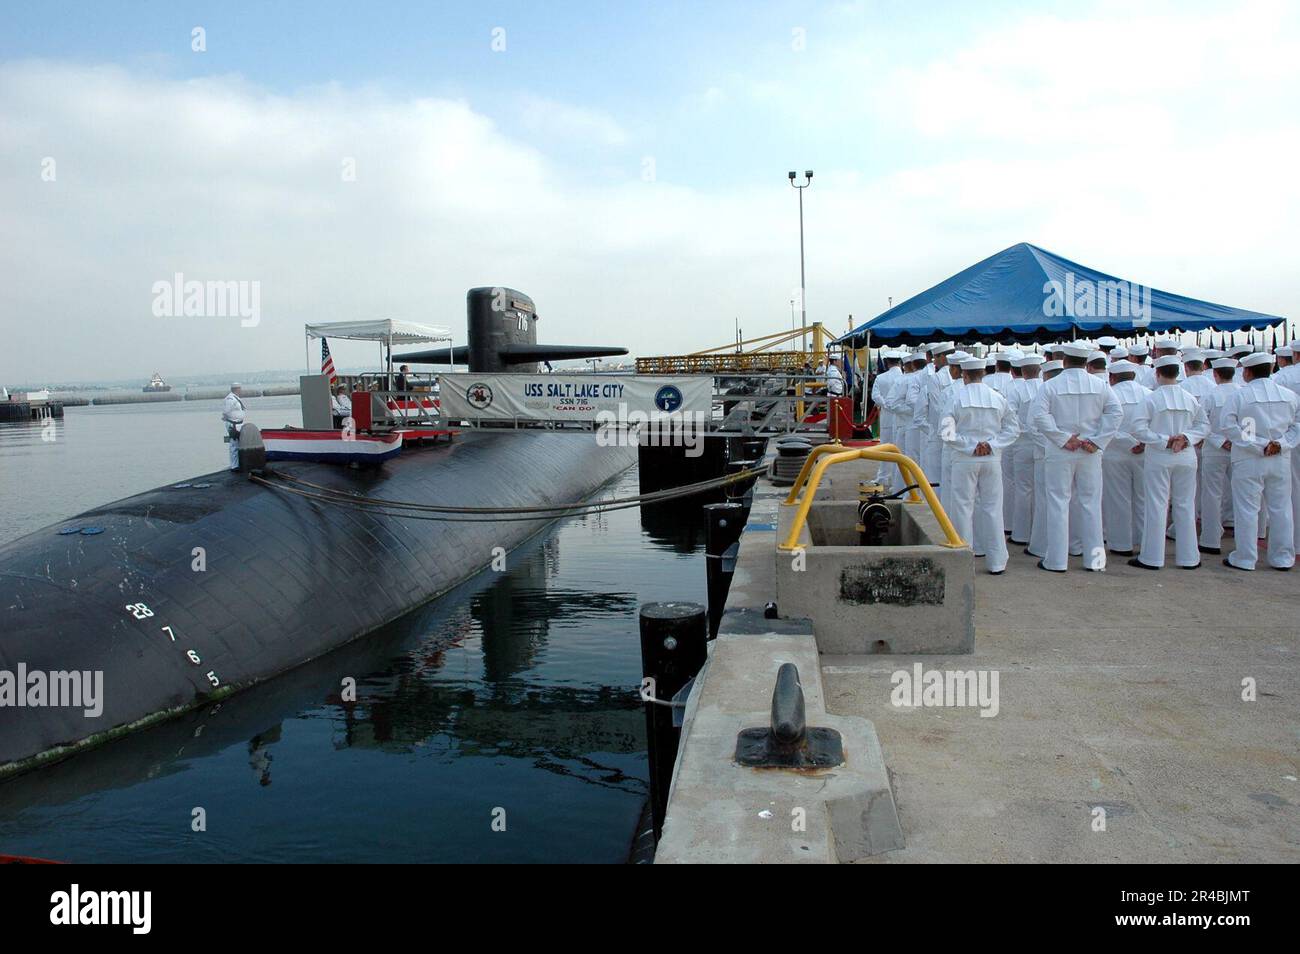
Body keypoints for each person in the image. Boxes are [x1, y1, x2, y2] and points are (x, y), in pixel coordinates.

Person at [1029, 344, 1122, 572]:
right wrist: (1098, 440)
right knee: (1091, 505)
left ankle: (1057, 561)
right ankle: (1095, 560)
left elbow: (1039, 415)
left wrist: (1061, 438)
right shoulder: (1101, 385)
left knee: (1058, 503)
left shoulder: (1050, 386)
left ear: (1064, 360)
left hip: (1061, 451)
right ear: (1086, 362)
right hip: (1089, 451)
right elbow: (1116, 413)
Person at [1128, 356, 1210, 570]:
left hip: (1160, 456)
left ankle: (1153, 557)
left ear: (1157, 374)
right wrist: (1186, 437)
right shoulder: (1190, 398)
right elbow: (1204, 425)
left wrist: (1164, 440)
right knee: (1184, 504)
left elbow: (1137, 428)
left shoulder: (1151, 399)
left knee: (1156, 504)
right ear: (1178, 372)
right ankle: (1189, 557)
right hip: (1185, 455)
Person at [940, 357, 1019, 574]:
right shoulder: (998, 398)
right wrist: (992, 444)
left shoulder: (955, 397)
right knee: (993, 509)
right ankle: (997, 562)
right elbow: (1013, 429)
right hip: (991, 459)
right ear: (983, 374)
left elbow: (946, 431)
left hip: (965, 459)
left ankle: (963, 560)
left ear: (964, 375)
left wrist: (970, 446)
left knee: (962, 508)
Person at [1221, 352, 1300, 570]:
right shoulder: (1289, 396)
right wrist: (1280, 443)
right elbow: (1297, 425)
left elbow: (1228, 425)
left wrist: (1257, 444)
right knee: (1281, 508)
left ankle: (1246, 558)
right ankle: (1282, 557)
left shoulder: (1240, 396)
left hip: (1249, 459)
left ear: (1246, 372)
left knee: (1247, 509)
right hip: (1279, 458)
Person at [1101, 361, 1146, 556]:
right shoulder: (1149, 393)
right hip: (1145, 451)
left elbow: (1104, 425)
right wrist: (1141, 441)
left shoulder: (1109, 394)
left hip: (1115, 452)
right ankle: (1145, 540)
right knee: (1144, 498)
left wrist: (1127, 441)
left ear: (1112, 377)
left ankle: (1121, 544)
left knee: (1118, 499)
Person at [1198, 358, 1239, 554]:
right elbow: (1249, 422)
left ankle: (1211, 539)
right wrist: (1241, 441)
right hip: (1240, 449)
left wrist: (1220, 441)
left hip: (1215, 449)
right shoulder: (1243, 393)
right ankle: (1246, 535)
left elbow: (1202, 424)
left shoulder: (1210, 395)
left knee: (1212, 493)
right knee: (1242, 494)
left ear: (1215, 374)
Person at [1007, 354, 1043, 545]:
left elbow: (1009, 416)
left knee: (1023, 489)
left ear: (1021, 371)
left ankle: (1021, 534)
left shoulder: (1017, 390)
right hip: (1045, 443)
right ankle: (1040, 533)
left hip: (1022, 443)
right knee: (1042, 490)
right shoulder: (1047, 387)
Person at [222, 383, 246, 471]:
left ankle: (238, 463)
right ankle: (234, 466)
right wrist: (227, 419)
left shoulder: (235, 398)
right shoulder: (230, 399)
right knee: (234, 444)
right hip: (233, 424)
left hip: (238, 424)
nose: (241, 390)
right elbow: (226, 412)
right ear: (237, 389)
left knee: (238, 444)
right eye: (240, 389)